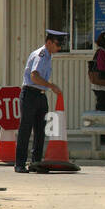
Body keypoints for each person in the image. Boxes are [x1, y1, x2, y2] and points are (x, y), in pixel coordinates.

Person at [15, 29, 66, 173]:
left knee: (40, 129)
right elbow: (34, 76)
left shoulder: (48, 55)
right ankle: (19, 163)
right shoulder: (41, 55)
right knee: (25, 129)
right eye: (57, 44)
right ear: (49, 42)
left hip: (40, 95)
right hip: (30, 94)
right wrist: (51, 86)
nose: (59, 48)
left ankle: (36, 163)